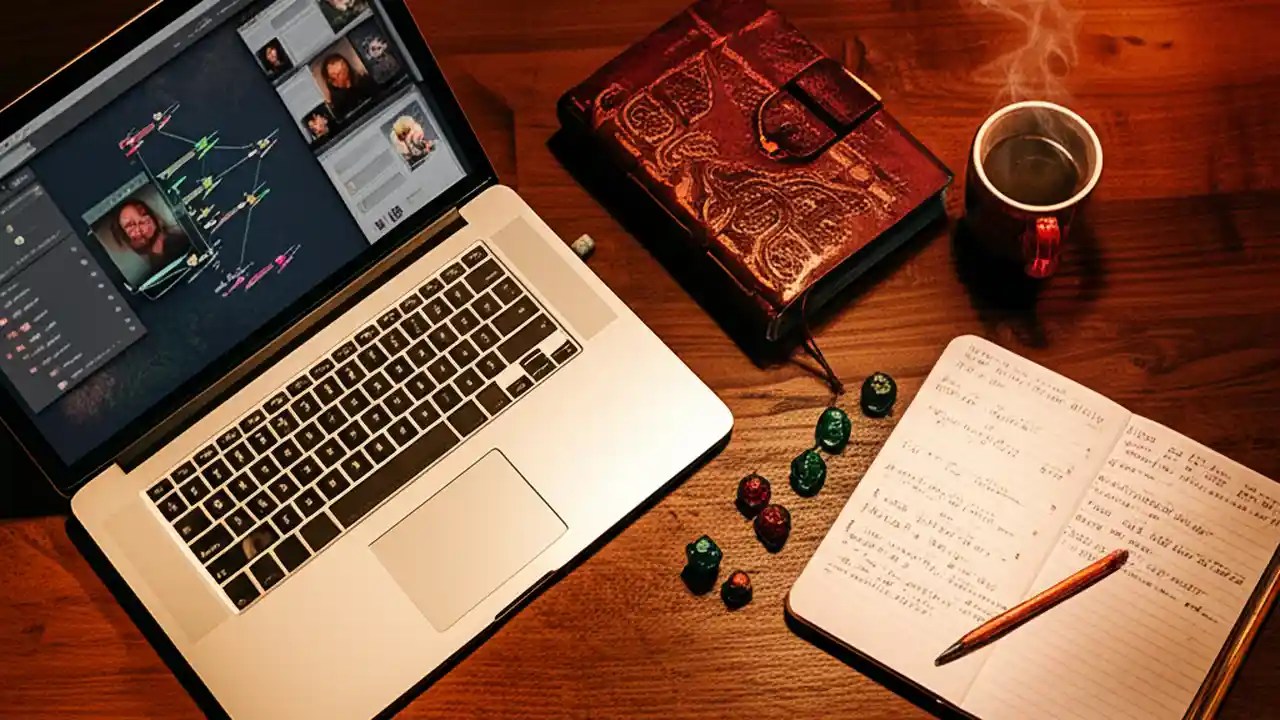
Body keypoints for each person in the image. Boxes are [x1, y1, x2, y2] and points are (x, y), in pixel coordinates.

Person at [109, 197, 189, 281]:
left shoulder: (184, 241)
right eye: (130, 225)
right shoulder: (153, 276)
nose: (144, 219)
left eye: (143, 214)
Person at [320, 53, 374, 119]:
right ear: (330, 81)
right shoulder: (337, 103)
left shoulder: (364, 81)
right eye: (336, 74)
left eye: (343, 70)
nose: (342, 74)